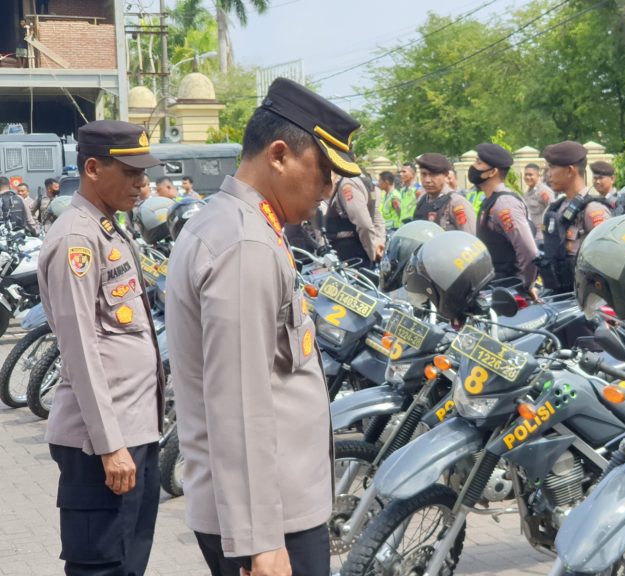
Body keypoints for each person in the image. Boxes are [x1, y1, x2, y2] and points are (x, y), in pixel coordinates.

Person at [165, 77, 349, 576]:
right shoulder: (244, 244)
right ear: (280, 154)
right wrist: (261, 543)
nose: (328, 191)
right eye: (324, 172)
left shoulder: (240, 225)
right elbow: (240, 404)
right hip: (270, 521)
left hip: (268, 508)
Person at [37, 120, 165, 576]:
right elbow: (80, 349)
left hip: (134, 431)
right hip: (101, 445)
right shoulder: (78, 238)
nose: (142, 183)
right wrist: (111, 446)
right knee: (103, 567)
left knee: (128, 562)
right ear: (93, 168)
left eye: (144, 173)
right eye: (131, 172)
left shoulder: (108, 228)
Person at [539, 140, 611, 294]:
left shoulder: (592, 209)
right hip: (557, 295)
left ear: (570, 171)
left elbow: (609, 260)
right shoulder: (557, 207)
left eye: (552, 167)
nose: (548, 174)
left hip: (582, 300)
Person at [472, 142, 539, 297]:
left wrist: (526, 285)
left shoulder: (505, 205)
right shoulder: (489, 200)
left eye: (479, 163)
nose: (474, 167)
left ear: (492, 172)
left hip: (507, 290)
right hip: (493, 287)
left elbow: (528, 251)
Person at [326, 169, 387, 267]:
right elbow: (376, 216)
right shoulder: (365, 181)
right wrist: (379, 242)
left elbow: (364, 224)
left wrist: (372, 252)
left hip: (352, 252)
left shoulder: (348, 184)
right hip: (362, 247)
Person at [413, 153, 476, 233]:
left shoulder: (456, 203)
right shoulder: (422, 200)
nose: (427, 180)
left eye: (433, 175)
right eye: (423, 174)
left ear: (445, 175)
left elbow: (470, 238)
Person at [522, 162, 553, 241]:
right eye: (526, 174)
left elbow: (552, 211)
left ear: (538, 175)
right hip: (530, 233)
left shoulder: (544, 191)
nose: (528, 177)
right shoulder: (527, 192)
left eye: (530, 175)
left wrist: (544, 229)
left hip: (540, 236)